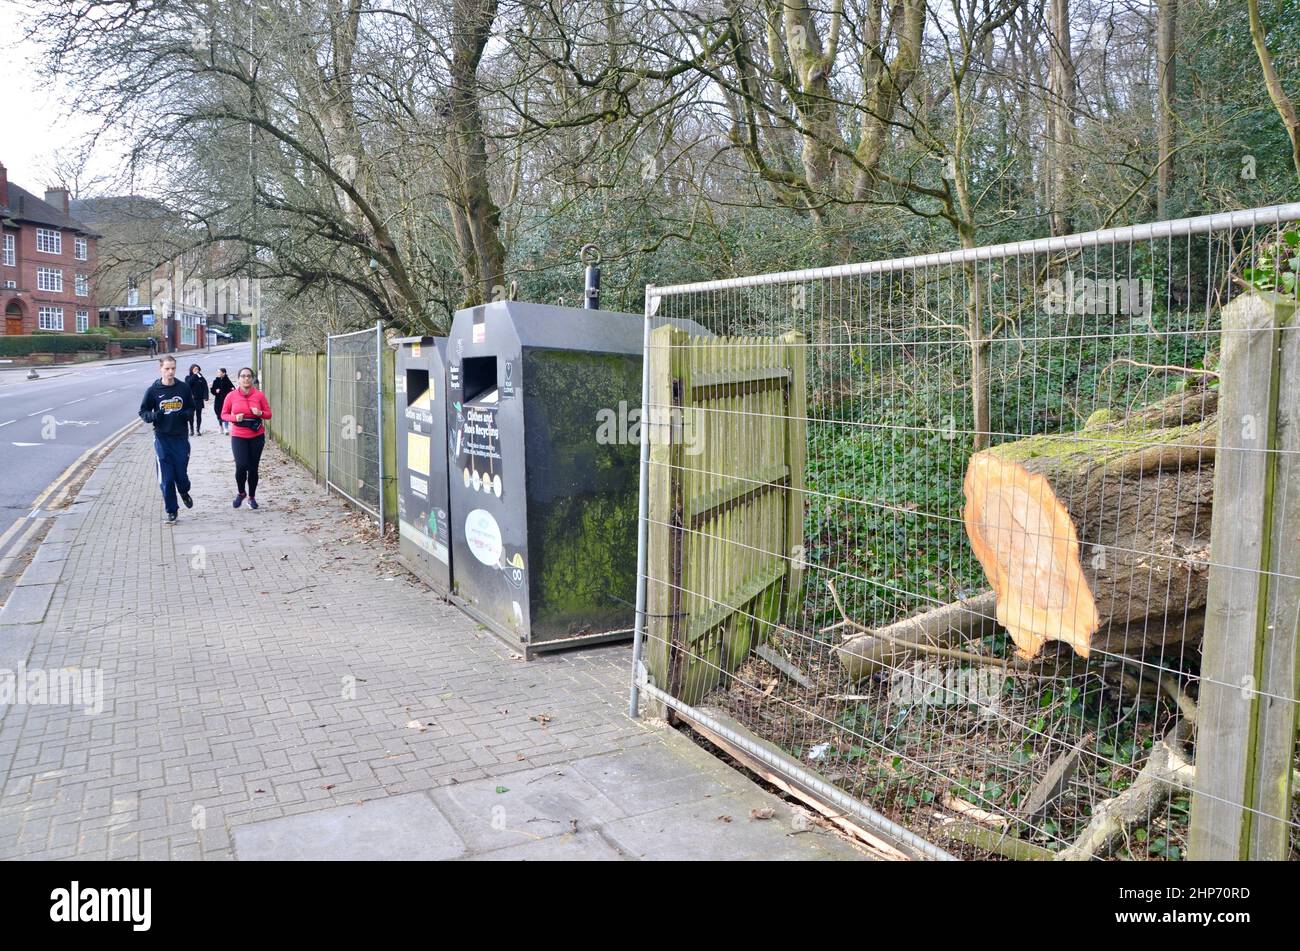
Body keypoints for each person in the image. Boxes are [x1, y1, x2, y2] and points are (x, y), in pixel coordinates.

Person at [138, 355, 195, 523]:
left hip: (180, 438)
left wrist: (184, 415)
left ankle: (184, 491)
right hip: (162, 438)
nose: (170, 372)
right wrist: (155, 416)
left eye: (173, 369)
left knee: (181, 476)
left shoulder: (183, 388)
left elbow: (192, 408)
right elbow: (143, 412)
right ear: (160, 369)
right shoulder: (153, 391)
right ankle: (172, 510)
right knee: (167, 478)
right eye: (167, 369)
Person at [221, 366, 272, 509]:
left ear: (252, 378)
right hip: (239, 435)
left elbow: (269, 414)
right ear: (238, 379)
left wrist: (260, 413)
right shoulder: (231, 396)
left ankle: (252, 497)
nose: (246, 378)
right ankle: (241, 492)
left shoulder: (259, 395)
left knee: (253, 468)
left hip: (256, 435)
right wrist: (235, 417)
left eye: (249, 376)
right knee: (241, 466)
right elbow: (223, 414)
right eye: (243, 376)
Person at [185, 364, 209, 436]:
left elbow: (205, 387)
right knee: (190, 415)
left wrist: (206, 396)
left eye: (197, 369)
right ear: (191, 370)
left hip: (199, 399)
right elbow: (188, 384)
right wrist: (195, 375)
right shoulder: (188, 377)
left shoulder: (201, 378)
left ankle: (198, 429)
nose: (196, 370)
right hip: (191, 400)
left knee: (199, 415)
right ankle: (191, 429)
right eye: (194, 369)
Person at [210, 368, 234, 435]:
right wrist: (215, 391)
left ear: (224, 373)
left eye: (219, 372)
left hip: (226, 400)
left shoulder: (227, 380)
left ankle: (226, 428)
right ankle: (221, 426)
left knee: (226, 413)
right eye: (218, 372)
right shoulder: (216, 380)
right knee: (218, 413)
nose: (218, 373)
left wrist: (232, 389)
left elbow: (232, 389)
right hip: (218, 400)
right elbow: (212, 390)